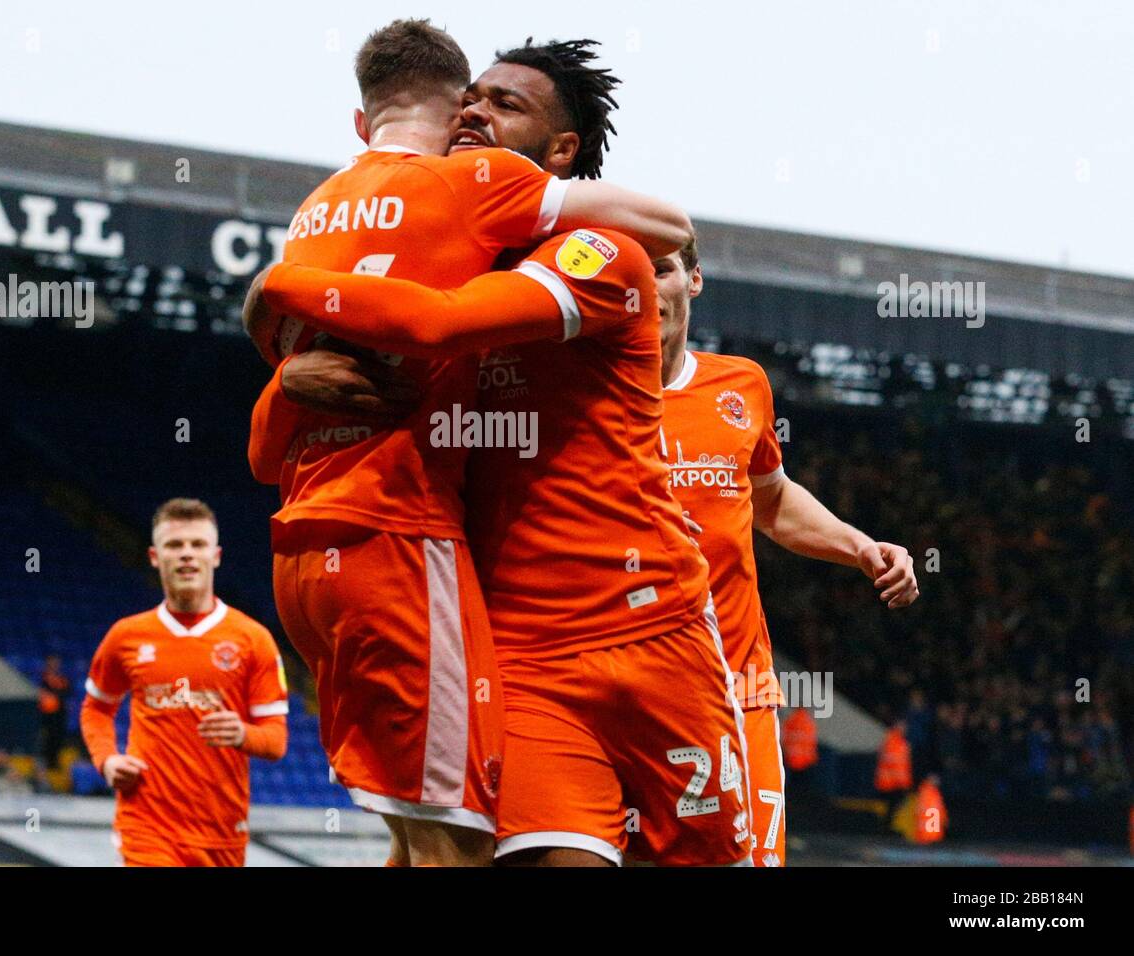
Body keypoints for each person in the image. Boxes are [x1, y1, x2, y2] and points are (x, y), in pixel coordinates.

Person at [249, 41, 753, 868]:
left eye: (505, 105)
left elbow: (438, 325)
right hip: (517, 653)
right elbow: (270, 450)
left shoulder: (600, 256)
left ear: (561, 152)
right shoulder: (447, 254)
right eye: (471, 98)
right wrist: (289, 381)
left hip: (648, 625)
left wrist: (270, 292)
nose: (474, 112)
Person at [650, 241, 919, 865]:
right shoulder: (580, 390)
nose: (648, 288)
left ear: (694, 279)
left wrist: (861, 547)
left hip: (737, 687)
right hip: (628, 687)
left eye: (662, 269)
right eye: (633, 272)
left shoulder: (741, 385)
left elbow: (770, 501)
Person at [79, 498, 289, 867]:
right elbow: (96, 708)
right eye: (174, 545)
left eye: (198, 544)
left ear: (216, 555)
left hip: (221, 831)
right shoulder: (126, 637)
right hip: (146, 825)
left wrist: (243, 733)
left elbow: (276, 740)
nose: (187, 554)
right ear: (154, 556)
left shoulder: (253, 639)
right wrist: (106, 759)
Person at [38, 654, 70, 768]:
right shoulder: (43, 678)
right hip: (48, 716)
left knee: (58, 740)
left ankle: (55, 763)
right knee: (48, 740)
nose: (54, 665)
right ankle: (47, 764)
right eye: (52, 662)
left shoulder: (62, 679)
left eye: (56, 663)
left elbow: (67, 692)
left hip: (60, 716)